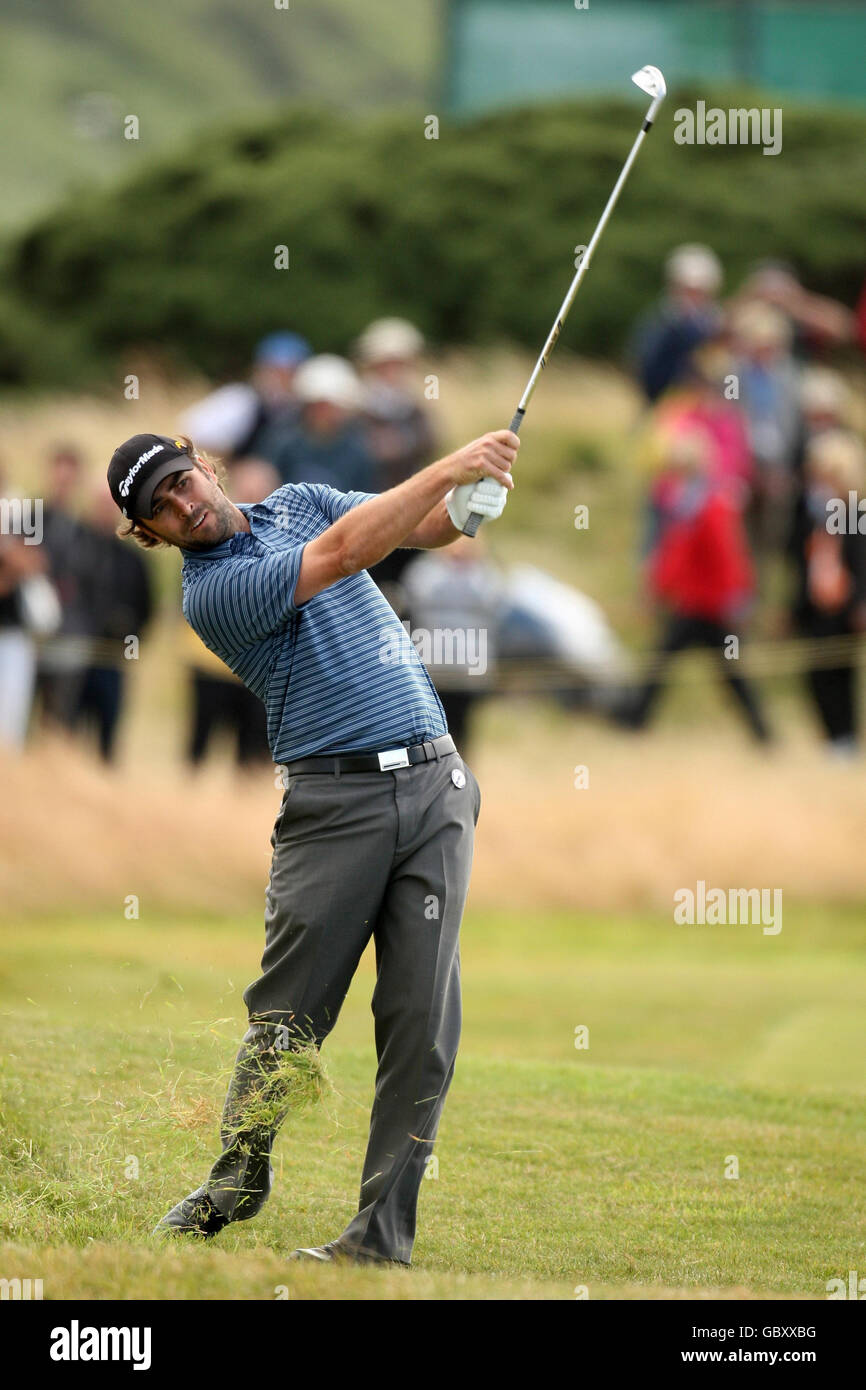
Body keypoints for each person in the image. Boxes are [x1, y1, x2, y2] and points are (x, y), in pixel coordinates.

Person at [106, 426, 516, 1266]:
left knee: (421, 1023)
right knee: (288, 1016)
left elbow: (413, 529)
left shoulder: (297, 500)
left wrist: (468, 504)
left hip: (437, 784)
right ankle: (238, 1172)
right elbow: (340, 555)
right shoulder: (213, 592)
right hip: (334, 807)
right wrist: (452, 463)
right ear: (153, 534)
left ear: (204, 464)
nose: (186, 503)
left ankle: (378, 1239)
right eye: (163, 509)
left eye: (183, 480)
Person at [622, 425, 771, 742]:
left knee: (726, 673)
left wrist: (737, 596)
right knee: (670, 663)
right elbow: (674, 555)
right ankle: (634, 720)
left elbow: (727, 556)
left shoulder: (710, 503)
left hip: (711, 605)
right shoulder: (685, 502)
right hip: (691, 602)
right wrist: (658, 589)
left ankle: (762, 732)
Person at [789, 430, 866, 758]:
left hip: (845, 604)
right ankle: (833, 738)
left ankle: (845, 739)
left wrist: (861, 601)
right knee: (816, 674)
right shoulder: (809, 510)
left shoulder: (856, 511)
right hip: (815, 604)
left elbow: (861, 560)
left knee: (840, 673)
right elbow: (797, 557)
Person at [71, 482, 153, 762]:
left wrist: (130, 644)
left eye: (111, 505)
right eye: (100, 503)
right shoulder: (74, 548)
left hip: (113, 660)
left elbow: (146, 610)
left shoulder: (133, 559)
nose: (105, 510)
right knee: (68, 730)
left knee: (109, 736)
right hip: (74, 656)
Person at [179, 331, 312, 460]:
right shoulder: (240, 401)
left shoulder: (305, 409)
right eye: (276, 371)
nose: (281, 379)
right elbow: (193, 433)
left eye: (289, 372)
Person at [258, 354, 378, 495]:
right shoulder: (282, 442)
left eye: (329, 406)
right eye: (317, 406)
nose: (323, 413)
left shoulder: (359, 452)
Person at [628, 244, 724, 403]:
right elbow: (647, 367)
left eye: (700, 291)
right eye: (689, 289)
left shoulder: (715, 320)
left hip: (707, 405)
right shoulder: (659, 322)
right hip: (666, 403)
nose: (694, 296)